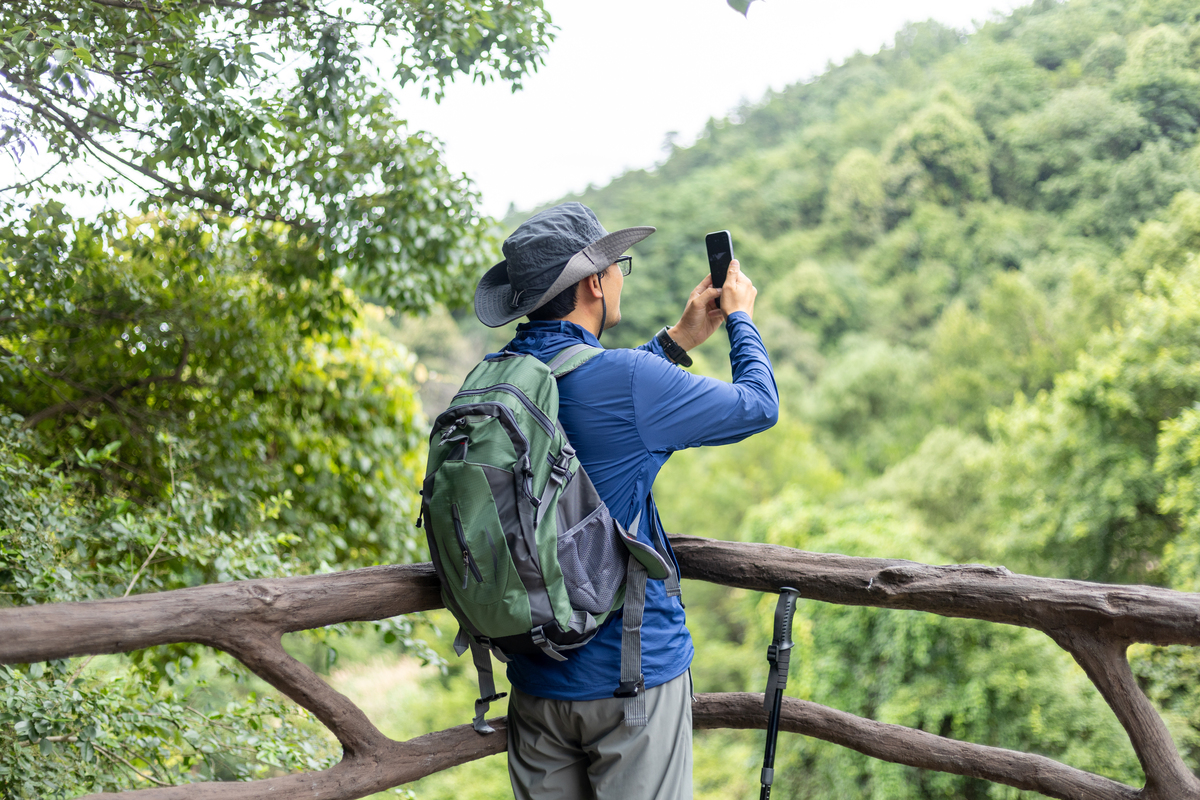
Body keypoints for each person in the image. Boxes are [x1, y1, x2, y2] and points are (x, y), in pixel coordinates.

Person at [473, 202, 778, 800]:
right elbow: (758, 404)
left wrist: (680, 337)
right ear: (594, 283)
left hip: (534, 685)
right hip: (627, 681)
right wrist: (740, 318)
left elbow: (590, 388)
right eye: (619, 268)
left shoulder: (497, 377)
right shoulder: (629, 381)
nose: (618, 278)